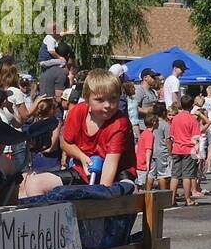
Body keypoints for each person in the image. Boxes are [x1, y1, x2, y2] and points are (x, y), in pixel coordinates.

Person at [19, 69, 137, 198]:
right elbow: (66, 143)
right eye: (100, 100)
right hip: (83, 171)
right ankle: (45, 216)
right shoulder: (78, 112)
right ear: (87, 99)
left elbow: (110, 164)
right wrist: (81, 156)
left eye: (113, 99)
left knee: (110, 193)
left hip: (117, 175)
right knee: (35, 183)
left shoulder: (120, 123)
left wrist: (100, 195)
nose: (107, 105)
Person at [169, 95, 201, 207]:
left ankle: (171, 200)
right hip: (189, 150)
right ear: (192, 106)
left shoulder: (175, 119)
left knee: (175, 176)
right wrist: (197, 154)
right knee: (187, 176)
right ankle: (188, 199)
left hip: (176, 148)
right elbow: (196, 139)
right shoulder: (193, 120)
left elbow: (171, 136)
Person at [136, 114, 157, 191]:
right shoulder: (149, 135)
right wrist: (148, 163)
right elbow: (148, 149)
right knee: (142, 185)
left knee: (140, 184)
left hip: (139, 162)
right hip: (143, 163)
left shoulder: (144, 133)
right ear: (154, 122)